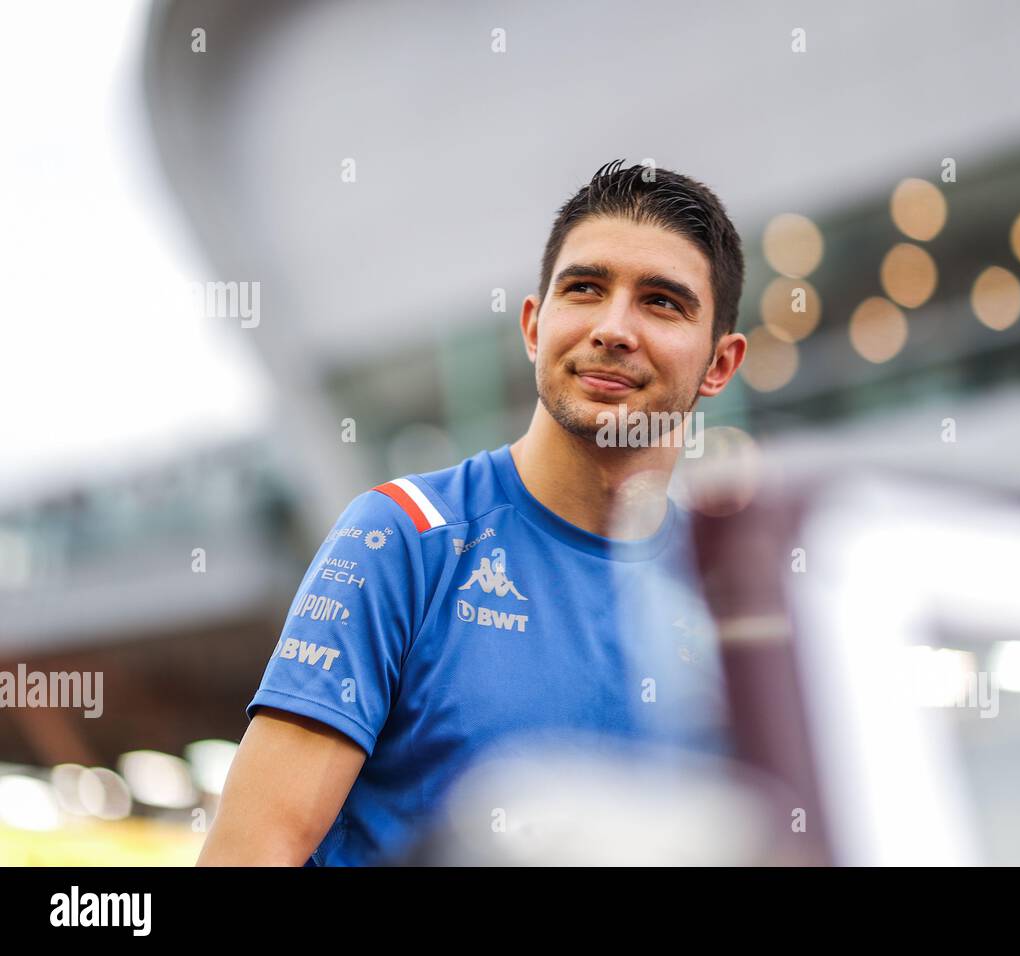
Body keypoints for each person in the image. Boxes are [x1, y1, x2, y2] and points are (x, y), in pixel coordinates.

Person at [196, 159, 748, 865]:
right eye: (584, 288)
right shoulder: (401, 538)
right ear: (532, 325)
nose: (613, 328)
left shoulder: (727, 593)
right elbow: (250, 853)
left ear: (720, 365)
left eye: (662, 302)